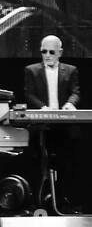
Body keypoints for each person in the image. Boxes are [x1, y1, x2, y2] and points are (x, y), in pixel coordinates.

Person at [22, 34, 82, 210]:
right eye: (43, 51)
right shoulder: (31, 70)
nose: (47, 55)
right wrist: (43, 108)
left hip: (64, 126)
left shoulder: (71, 70)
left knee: (67, 164)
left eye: (51, 52)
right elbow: (29, 94)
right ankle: (38, 202)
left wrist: (70, 104)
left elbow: (76, 91)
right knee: (39, 164)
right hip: (42, 126)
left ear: (60, 52)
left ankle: (64, 202)